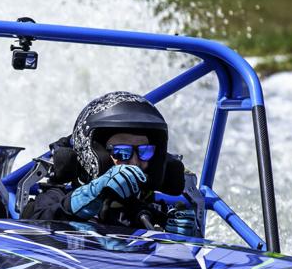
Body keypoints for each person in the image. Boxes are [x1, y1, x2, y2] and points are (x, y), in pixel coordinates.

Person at [22, 91, 198, 234]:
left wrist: (184, 239)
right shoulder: (58, 196)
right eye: (122, 152)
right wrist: (90, 195)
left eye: (145, 151)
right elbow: (31, 224)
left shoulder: (160, 208)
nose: (134, 162)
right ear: (94, 154)